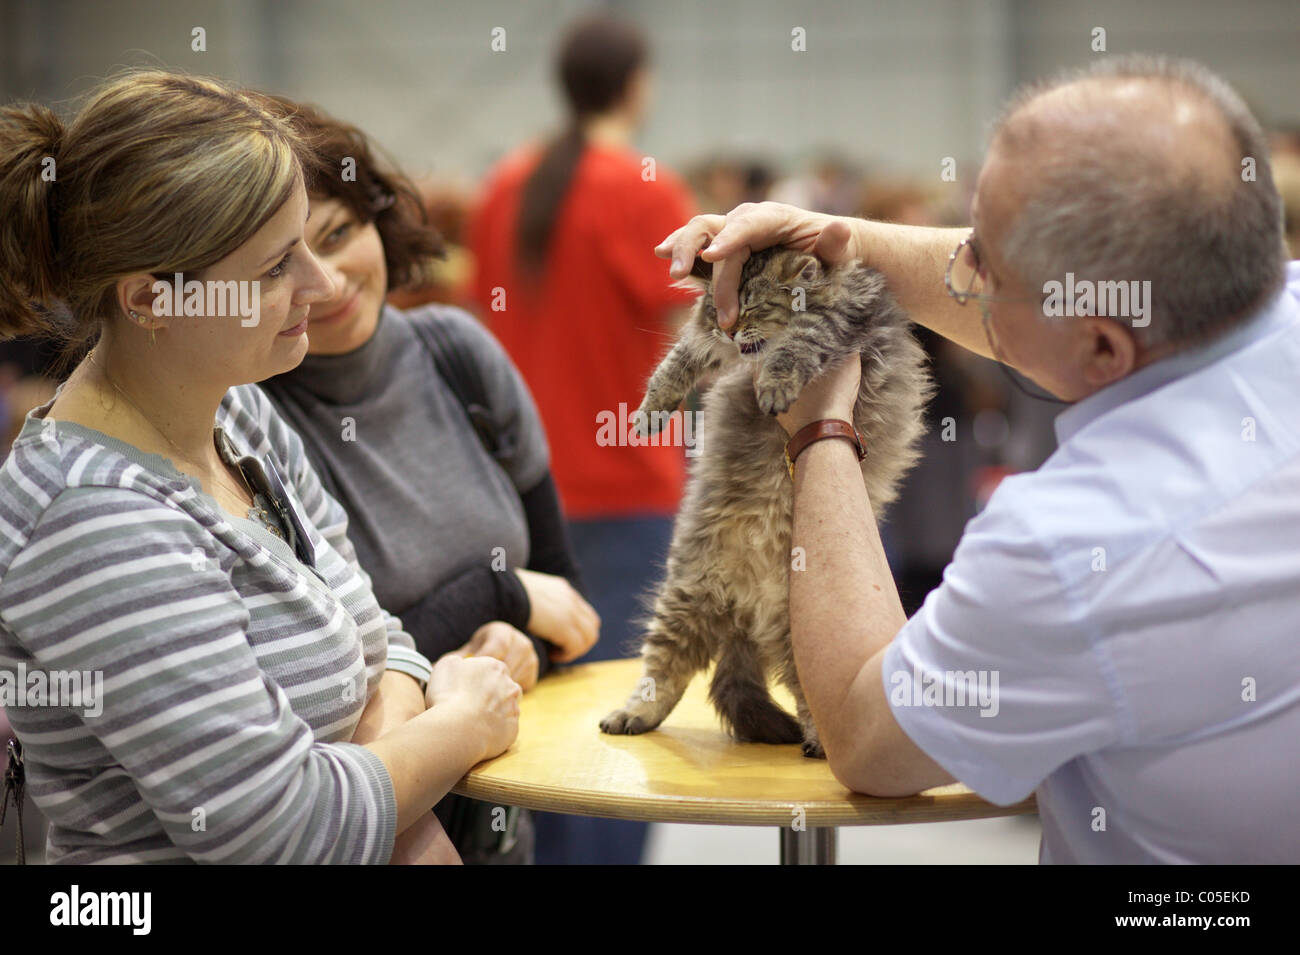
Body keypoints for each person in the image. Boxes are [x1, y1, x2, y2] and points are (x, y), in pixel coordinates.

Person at [657, 54, 1300, 863]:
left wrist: (820, 426)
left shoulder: (1074, 544)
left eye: (984, 266)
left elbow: (865, 739)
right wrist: (835, 241)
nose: (957, 270)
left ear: (1099, 342)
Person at [0, 69, 520, 864]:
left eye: (312, 242)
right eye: (277, 267)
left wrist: (385, 804)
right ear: (150, 300)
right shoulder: (92, 520)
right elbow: (282, 835)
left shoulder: (234, 408)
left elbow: (383, 641)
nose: (322, 282)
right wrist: (457, 727)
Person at [254, 94, 599, 864]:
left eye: (340, 233)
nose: (328, 278)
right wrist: (504, 593)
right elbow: (328, 672)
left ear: (380, 219)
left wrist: (515, 645)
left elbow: (567, 604)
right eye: (282, 261)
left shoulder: (457, 351)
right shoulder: (250, 421)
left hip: (500, 813)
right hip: (366, 827)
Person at [467, 13, 697, 865]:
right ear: (635, 83)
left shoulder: (504, 185)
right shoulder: (646, 189)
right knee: (624, 725)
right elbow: (692, 338)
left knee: (542, 722)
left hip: (518, 494)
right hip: (624, 487)